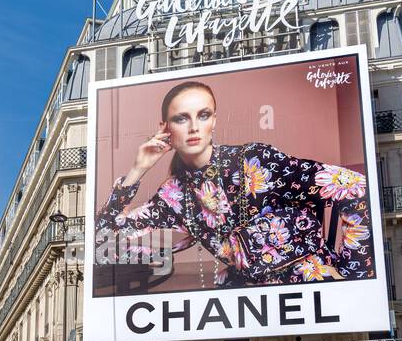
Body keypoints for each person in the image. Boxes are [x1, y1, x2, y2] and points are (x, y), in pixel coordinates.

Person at [94, 80, 375, 291]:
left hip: (311, 287)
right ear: (166, 127)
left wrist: (353, 278)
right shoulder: (174, 197)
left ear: (214, 121)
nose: (193, 127)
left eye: (203, 115)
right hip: (243, 306)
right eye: (182, 118)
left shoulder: (256, 160)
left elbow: (354, 187)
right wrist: (138, 169)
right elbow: (103, 239)